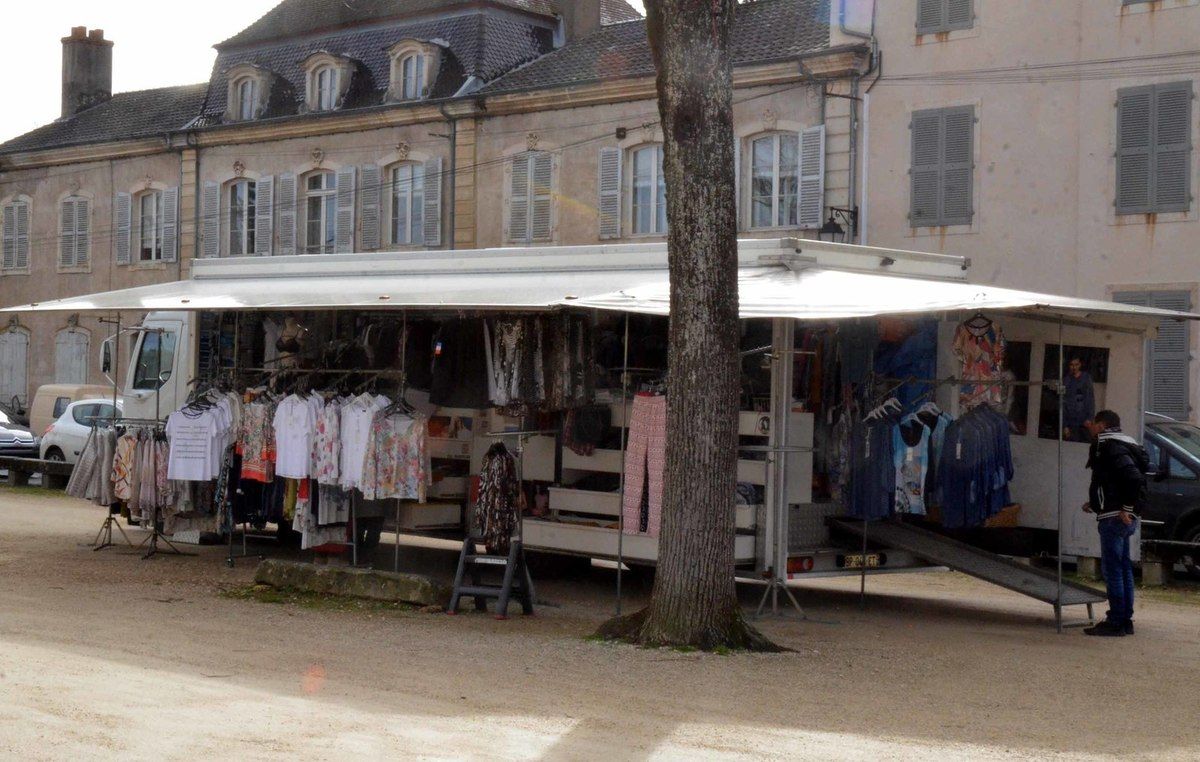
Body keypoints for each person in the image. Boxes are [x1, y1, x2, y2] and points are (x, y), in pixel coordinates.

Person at [1082, 410, 1149, 637]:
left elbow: (1132, 477)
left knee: (1113, 570)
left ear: (1101, 426)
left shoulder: (1108, 446)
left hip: (1115, 517)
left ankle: (1116, 621)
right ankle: (1125, 620)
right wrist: (1095, 502)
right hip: (1119, 514)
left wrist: (1125, 509)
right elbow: (1114, 480)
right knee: (1123, 568)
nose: (1089, 427)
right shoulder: (1127, 444)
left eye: (1093, 423)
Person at [1062, 356, 1095, 442]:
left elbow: (1090, 398)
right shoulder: (1066, 380)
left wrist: (1090, 417)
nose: (1074, 367)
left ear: (1080, 365)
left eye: (1076, 364)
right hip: (1071, 420)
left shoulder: (1086, 378)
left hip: (1084, 419)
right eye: (1072, 365)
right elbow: (1063, 402)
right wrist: (1064, 425)